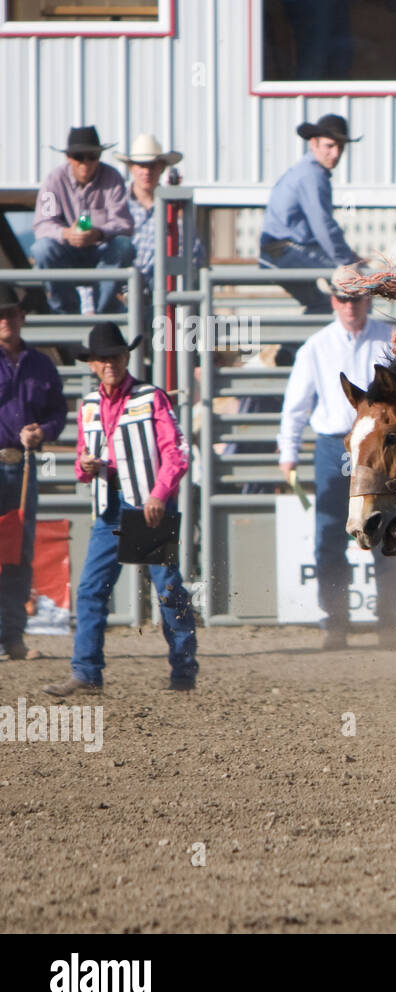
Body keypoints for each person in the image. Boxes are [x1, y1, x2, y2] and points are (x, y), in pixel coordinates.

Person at [43, 324, 198, 697]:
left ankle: (182, 671)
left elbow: (176, 452)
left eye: (114, 355)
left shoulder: (150, 397)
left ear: (125, 358)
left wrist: (159, 494)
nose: (109, 363)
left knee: (167, 589)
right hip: (111, 506)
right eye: (103, 358)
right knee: (92, 589)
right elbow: (81, 468)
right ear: (93, 364)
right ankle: (86, 673)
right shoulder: (89, 406)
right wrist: (85, 465)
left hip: (146, 505)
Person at [277, 274, 396, 649]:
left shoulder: (389, 338)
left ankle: (388, 624)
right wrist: (288, 452)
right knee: (330, 535)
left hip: (377, 445)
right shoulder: (317, 347)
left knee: (385, 529)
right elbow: (295, 407)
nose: (350, 306)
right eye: (344, 300)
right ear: (333, 302)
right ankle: (336, 622)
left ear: (366, 301)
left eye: (357, 299)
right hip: (335, 444)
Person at [0, 285, 66, 662]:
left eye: (12, 313)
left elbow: (58, 410)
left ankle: (12, 637)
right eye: (1, 314)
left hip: (22, 466)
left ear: (23, 317)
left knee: (18, 554)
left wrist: (43, 431)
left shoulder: (41, 365)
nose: (7, 320)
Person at [260, 114, 363, 314]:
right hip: (287, 252)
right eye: (330, 146)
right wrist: (347, 260)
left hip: (279, 252)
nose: (335, 153)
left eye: (340, 148)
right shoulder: (313, 175)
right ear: (313, 143)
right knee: (356, 288)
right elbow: (323, 224)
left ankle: (291, 346)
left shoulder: (305, 171)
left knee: (324, 304)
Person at [31, 126, 134, 314]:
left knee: (123, 246)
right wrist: (66, 234)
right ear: (69, 158)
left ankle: (103, 316)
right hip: (67, 253)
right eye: (79, 157)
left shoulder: (113, 178)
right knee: (42, 249)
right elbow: (42, 225)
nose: (85, 163)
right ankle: (65, 314)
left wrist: (99, 233)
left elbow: (124, 223)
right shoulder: (53, 180)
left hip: (102, 253)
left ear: (99, 157)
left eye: (92, 156)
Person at [114, 133, 204, 305]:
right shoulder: (116, 204)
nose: (146, 171)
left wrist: (180, 218)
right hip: (123, 294)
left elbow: (195, 255)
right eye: (141, 165)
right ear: (131, 168)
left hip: (161, 294)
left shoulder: (174, 207)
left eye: (152, 165)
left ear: (161, 168)